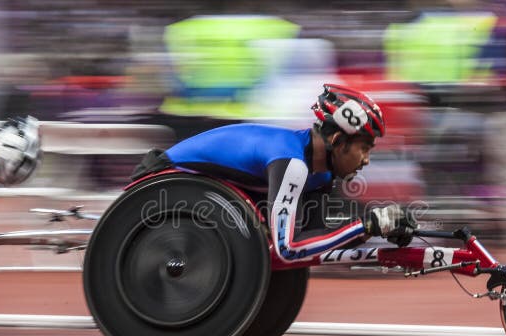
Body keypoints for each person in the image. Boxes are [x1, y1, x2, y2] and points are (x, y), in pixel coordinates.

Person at [132, 84, 416, 262]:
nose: (366, 160)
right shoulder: (292, 163)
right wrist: (366, 225)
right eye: (364, 148)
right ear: (337, 142)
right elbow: (288, 248)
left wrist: (373, 231)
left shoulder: (322, 174)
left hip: (203, 190)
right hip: (163, 179)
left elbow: (314, 237)